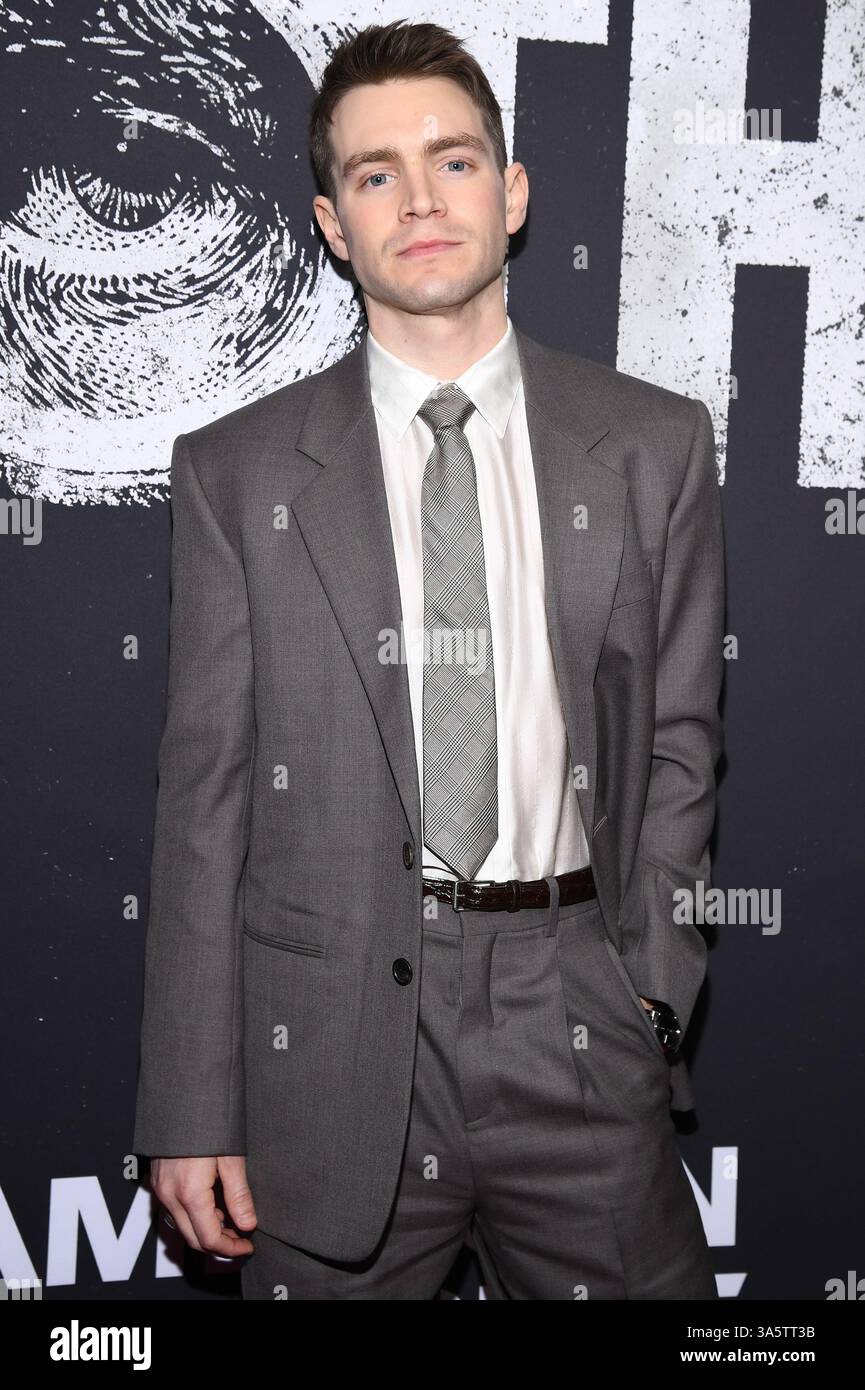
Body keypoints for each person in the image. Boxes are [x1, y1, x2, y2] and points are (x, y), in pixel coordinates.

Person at [133, 18, 725, 1300]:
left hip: (576, 1009)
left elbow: (679, 746)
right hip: (329, 1037)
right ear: (333, 223)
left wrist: (655, 994)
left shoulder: (652, 448)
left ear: (510, 196)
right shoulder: (235, 476)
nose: (418, 198)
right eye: (373, 172)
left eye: (452, 161)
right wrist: (189, 1095)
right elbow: (205, 800)